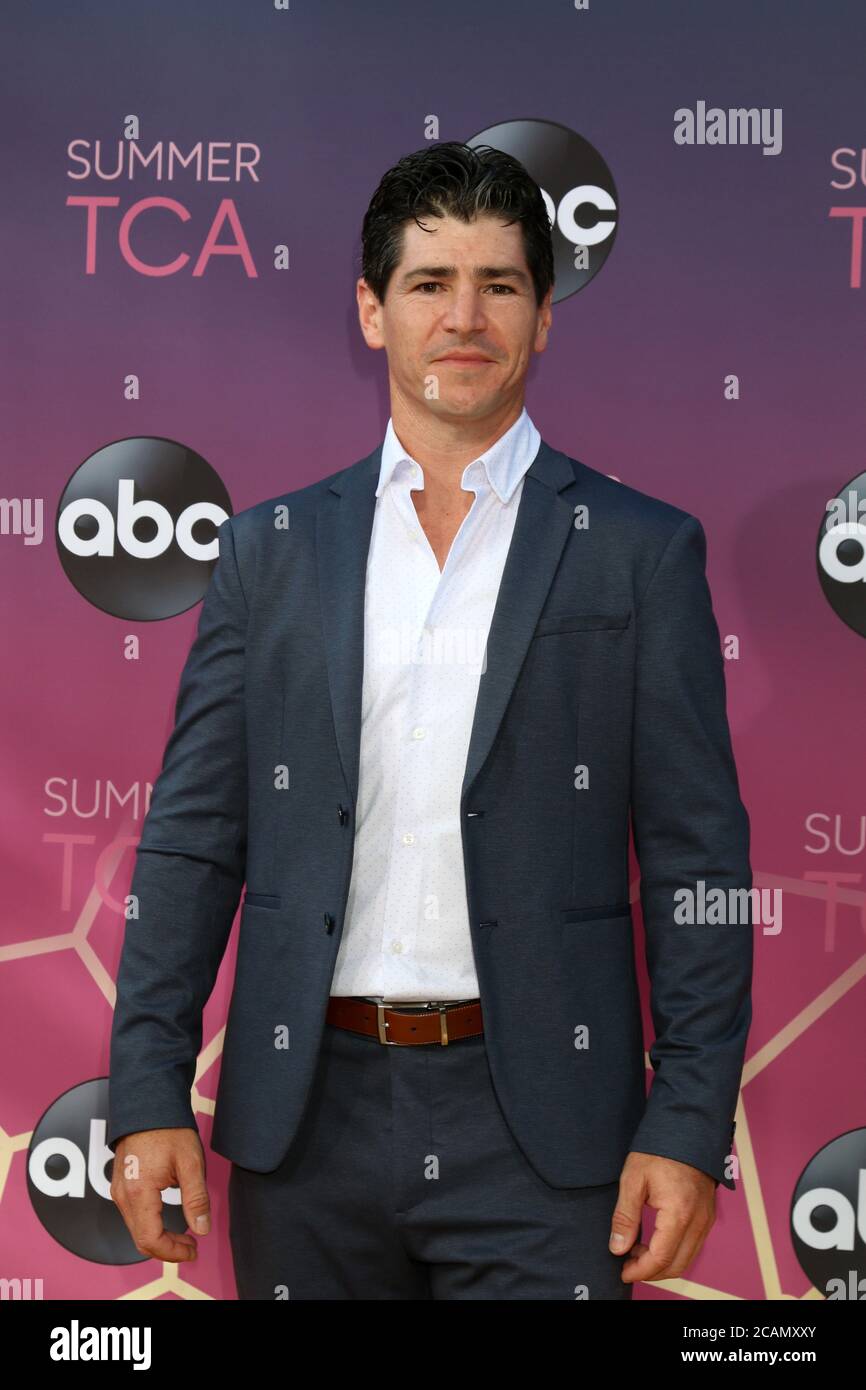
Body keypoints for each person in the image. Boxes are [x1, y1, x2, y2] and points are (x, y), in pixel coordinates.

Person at [108, 141, 753, 1300]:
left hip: (545, 1135)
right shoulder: (269, 552)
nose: (464, 316)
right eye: (427, 283)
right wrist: (149, 1088)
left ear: (544, 316)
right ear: (371, 311)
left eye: (499, 284)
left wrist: (689, 1118)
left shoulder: (642, 552)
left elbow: (695, 862)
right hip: (306, 1120)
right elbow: (195, 839)